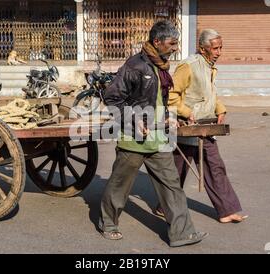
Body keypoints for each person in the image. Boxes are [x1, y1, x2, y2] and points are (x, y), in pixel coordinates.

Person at [99, 20, 208, 247]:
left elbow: (158, 99)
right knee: (120, 186)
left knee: (172, 187)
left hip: (158, 138)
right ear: (157, 42)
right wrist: (133, 118)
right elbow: (112, 97)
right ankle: (108, 223)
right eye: (172, 43)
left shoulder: (161, 66)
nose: (176, 47)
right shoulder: (135, 65)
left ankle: (182, 233)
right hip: (134, 140)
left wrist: (169, 115)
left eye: (176, 43)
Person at [155, 29, 248, 224]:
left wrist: (220, 108)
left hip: (204, 125)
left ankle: (226, 210)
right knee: (177, 170)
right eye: (215, 48)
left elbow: (209, 92)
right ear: (202, 48)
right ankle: (165, 207)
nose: (219, 52)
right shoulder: (189, 66)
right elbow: (171, 94)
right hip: (186, 125)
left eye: (221, 47)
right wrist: (187, 113)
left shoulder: (209, 66)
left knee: (214, 166)